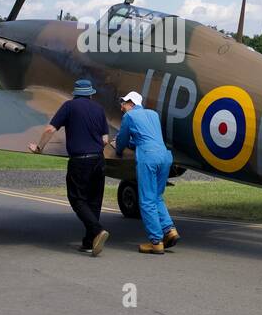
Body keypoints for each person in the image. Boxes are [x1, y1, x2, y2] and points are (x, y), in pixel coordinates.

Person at [29, 78, 111, 256]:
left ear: (75, 93)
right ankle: (89, 242)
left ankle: (97, 231)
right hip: (99, 159)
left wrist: (38, 147)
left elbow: (50, 129)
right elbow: (105, 139)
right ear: (91, 94)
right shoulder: (99, 109)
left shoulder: (69, 106)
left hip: (80, 160)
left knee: (77, 199)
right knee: (94, 201)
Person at [114, 91, 177, 254]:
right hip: (164, 156)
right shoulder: (153, 114)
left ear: (131, 103)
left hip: (148, 158)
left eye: (123, 103)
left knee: (147, 200)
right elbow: (148, 137)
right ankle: (170, 230)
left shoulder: (129, 117)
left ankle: (156, 241)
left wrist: (119, 150)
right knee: (157, 196)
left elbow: (121, 139)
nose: (122, 107)